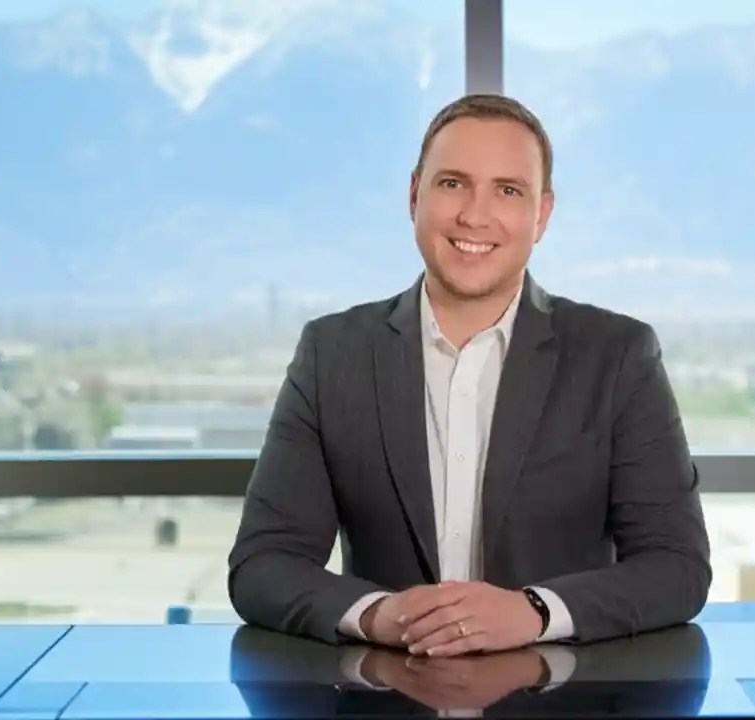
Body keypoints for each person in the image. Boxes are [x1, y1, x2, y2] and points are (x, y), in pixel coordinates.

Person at [227, 93, 710, 656]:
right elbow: (263, 564)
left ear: (542, 214)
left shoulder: (618, 355)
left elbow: (677, 567)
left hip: (565, 701)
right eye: (453, 183)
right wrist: (381, 614)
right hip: (384, 697)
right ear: (415, 196)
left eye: (508, 190)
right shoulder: (332, 353)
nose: (474, 215)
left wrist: (533, 611)